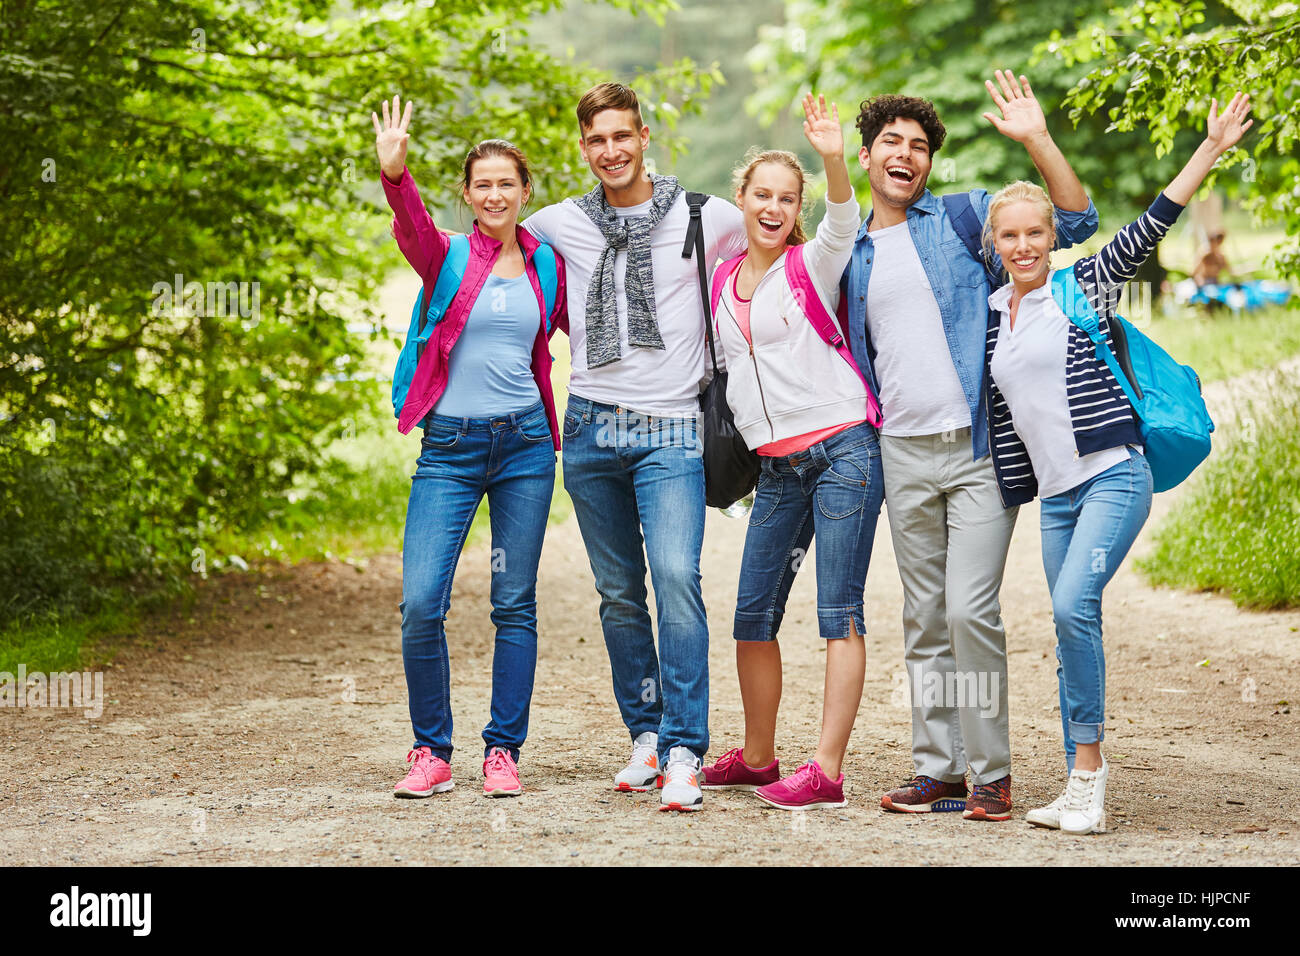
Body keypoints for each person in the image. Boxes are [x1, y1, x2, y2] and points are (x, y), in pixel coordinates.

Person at [983, 93, 1253, 834]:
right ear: (995, 243)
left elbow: (1152, 222)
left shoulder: (1080, 290)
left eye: (1036, 231)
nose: (1026, 245)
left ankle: (1090, 777)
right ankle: (1078, 777)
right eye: (1011, 235)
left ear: (1049, 236)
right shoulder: (990, 315)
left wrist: (1211, 148)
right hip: (1057, 498)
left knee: (1072, 606)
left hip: (1113, 474)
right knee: (1073, 625)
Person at [842, 72, 1099, 821]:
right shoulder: (848, 248)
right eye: (892, 141)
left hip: (978, 450)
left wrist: (1037, 140)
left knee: (967, 612)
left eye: (919, 146)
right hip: (902, 451)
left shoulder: (962, 217)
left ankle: (991, 771)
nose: (906, 154)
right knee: (922, 616)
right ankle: (939, 768)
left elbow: (1074, 224)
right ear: (867, 157)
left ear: (928, 166)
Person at [522, 82, 747, 812]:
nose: (611, 151)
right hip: (590, 426)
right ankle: (646, 736)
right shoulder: (558, 221)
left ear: (645, 136)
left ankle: (687, 747)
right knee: (619, 593)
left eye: (623, 136)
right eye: (596, 140)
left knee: (676, 577)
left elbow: (785, 247)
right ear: (582, 147)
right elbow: (487, 246)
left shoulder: (704, 215)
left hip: (671, 427)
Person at [372, 95, 568, 799]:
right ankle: (431, 751)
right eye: (481, 183)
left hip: (524, 447)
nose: (493, 194)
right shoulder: (446, 257)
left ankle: (502, 752)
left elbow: (596, 328)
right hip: (450, 452)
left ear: (523, 193)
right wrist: (396, 175)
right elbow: (412, 226)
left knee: (514, 603)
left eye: (506, 184)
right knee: (422, 603)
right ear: (467, 193)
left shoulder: (548, 266)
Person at [697, 95, 884, 810]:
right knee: (751, 616)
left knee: (838, 612)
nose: (773, 207)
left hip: (842, 450)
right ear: (740, 200)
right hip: (775, 470)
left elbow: (844, 218)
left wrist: (834, 155)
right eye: (761, 195)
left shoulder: (815, 262)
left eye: (787, 197)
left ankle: (827, 772)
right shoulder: (720, 280)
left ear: (796, 206)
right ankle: (758, 757)